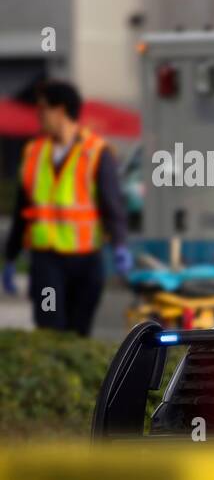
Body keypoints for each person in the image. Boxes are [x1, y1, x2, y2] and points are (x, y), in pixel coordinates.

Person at [2, 80, 130, 336]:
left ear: (60, 110)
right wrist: (11, 255)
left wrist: (119, 245)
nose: (38, 116)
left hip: (86, 262)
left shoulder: (96, 152)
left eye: (42, 109)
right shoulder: (34, 153)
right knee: (51, 328)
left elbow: (112, 204)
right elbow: (22, 209)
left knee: (79, 332)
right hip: (47, 260)